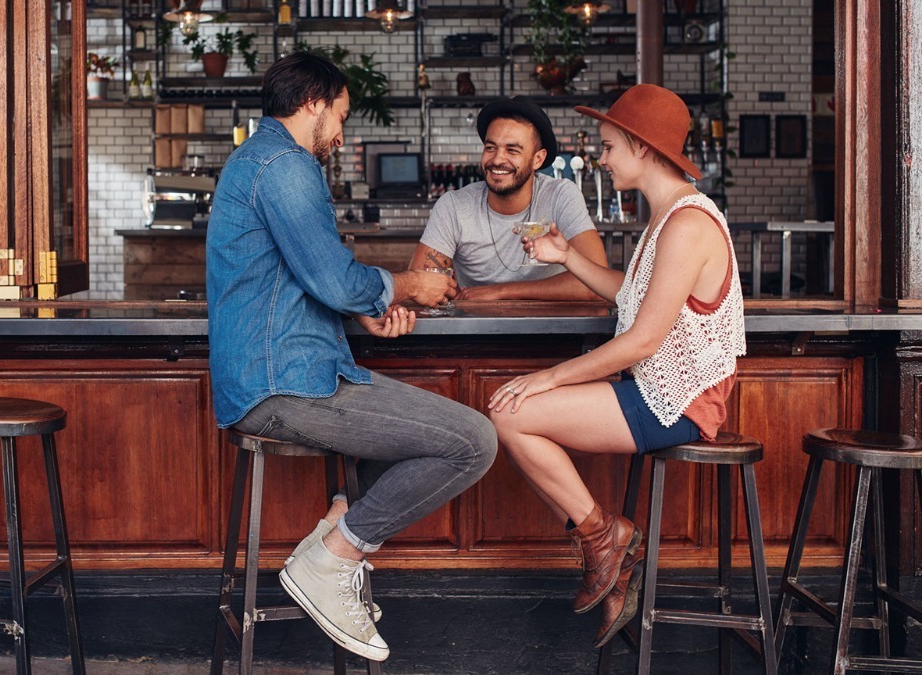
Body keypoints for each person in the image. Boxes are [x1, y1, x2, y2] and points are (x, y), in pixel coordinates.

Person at [205, 51, 498, 662]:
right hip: (283, 384)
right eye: (339, 116)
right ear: (312, 102)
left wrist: (362, 305)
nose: (340, 135)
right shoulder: (286, 165)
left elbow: (306, 276)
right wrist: (407, 287)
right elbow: (332, 277)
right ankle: (331, 557)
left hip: (286, 374)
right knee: (474, 441)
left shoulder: (259, 160)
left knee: (416, 447)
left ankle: (336, 528)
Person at [486, 84, 746, 648]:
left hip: (678, 402)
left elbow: (643, 340)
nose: (601, 160)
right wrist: (566, 257)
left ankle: (606, 539)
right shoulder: (666, 218)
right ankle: (606, 541)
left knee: (511, 412)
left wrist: (549, 375)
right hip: (654, 390)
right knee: (509, 409)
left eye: (608, 147)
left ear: (642, 148)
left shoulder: (686, 225)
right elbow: (629, 297)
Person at [410, 95, 608, 301]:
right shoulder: (454, 205)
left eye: (512, 150)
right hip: (474, 329)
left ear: (538, 159)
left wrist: (501, 292)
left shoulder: (560, 195)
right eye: (490, 147)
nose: (497, 159)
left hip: (552, 329)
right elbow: (419, 285)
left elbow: (596, 283)